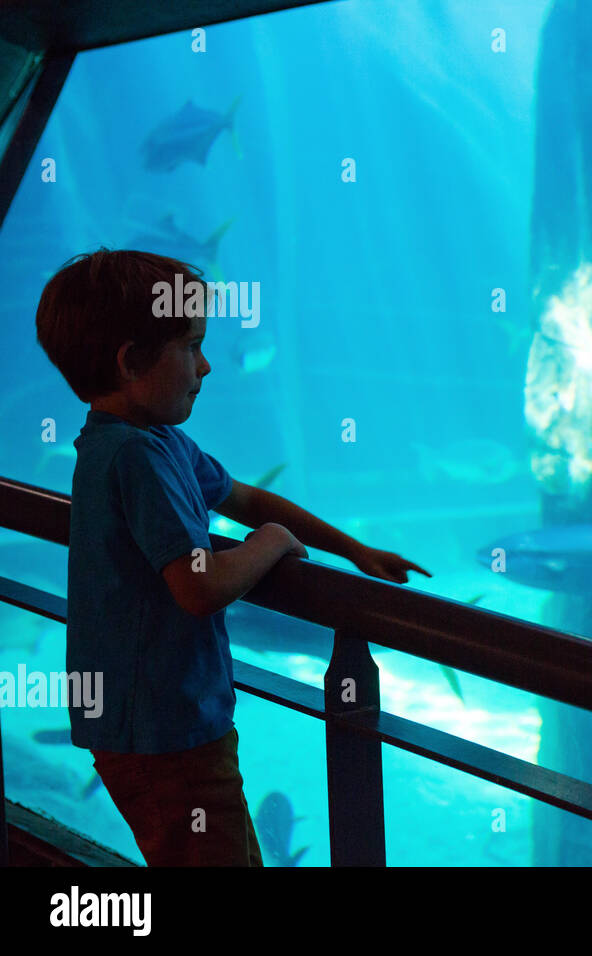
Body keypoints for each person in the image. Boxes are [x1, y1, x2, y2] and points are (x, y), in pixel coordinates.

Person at [33, 248, 431, 865]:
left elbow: (243, 495)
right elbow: (198, 587)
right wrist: (268, 542)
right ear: (132, 361)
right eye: (191, 346)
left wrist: (352, 549)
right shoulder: (135, 458)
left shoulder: (151, 441)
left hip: (161, 728)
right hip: (164, 735)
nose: (207, 365)